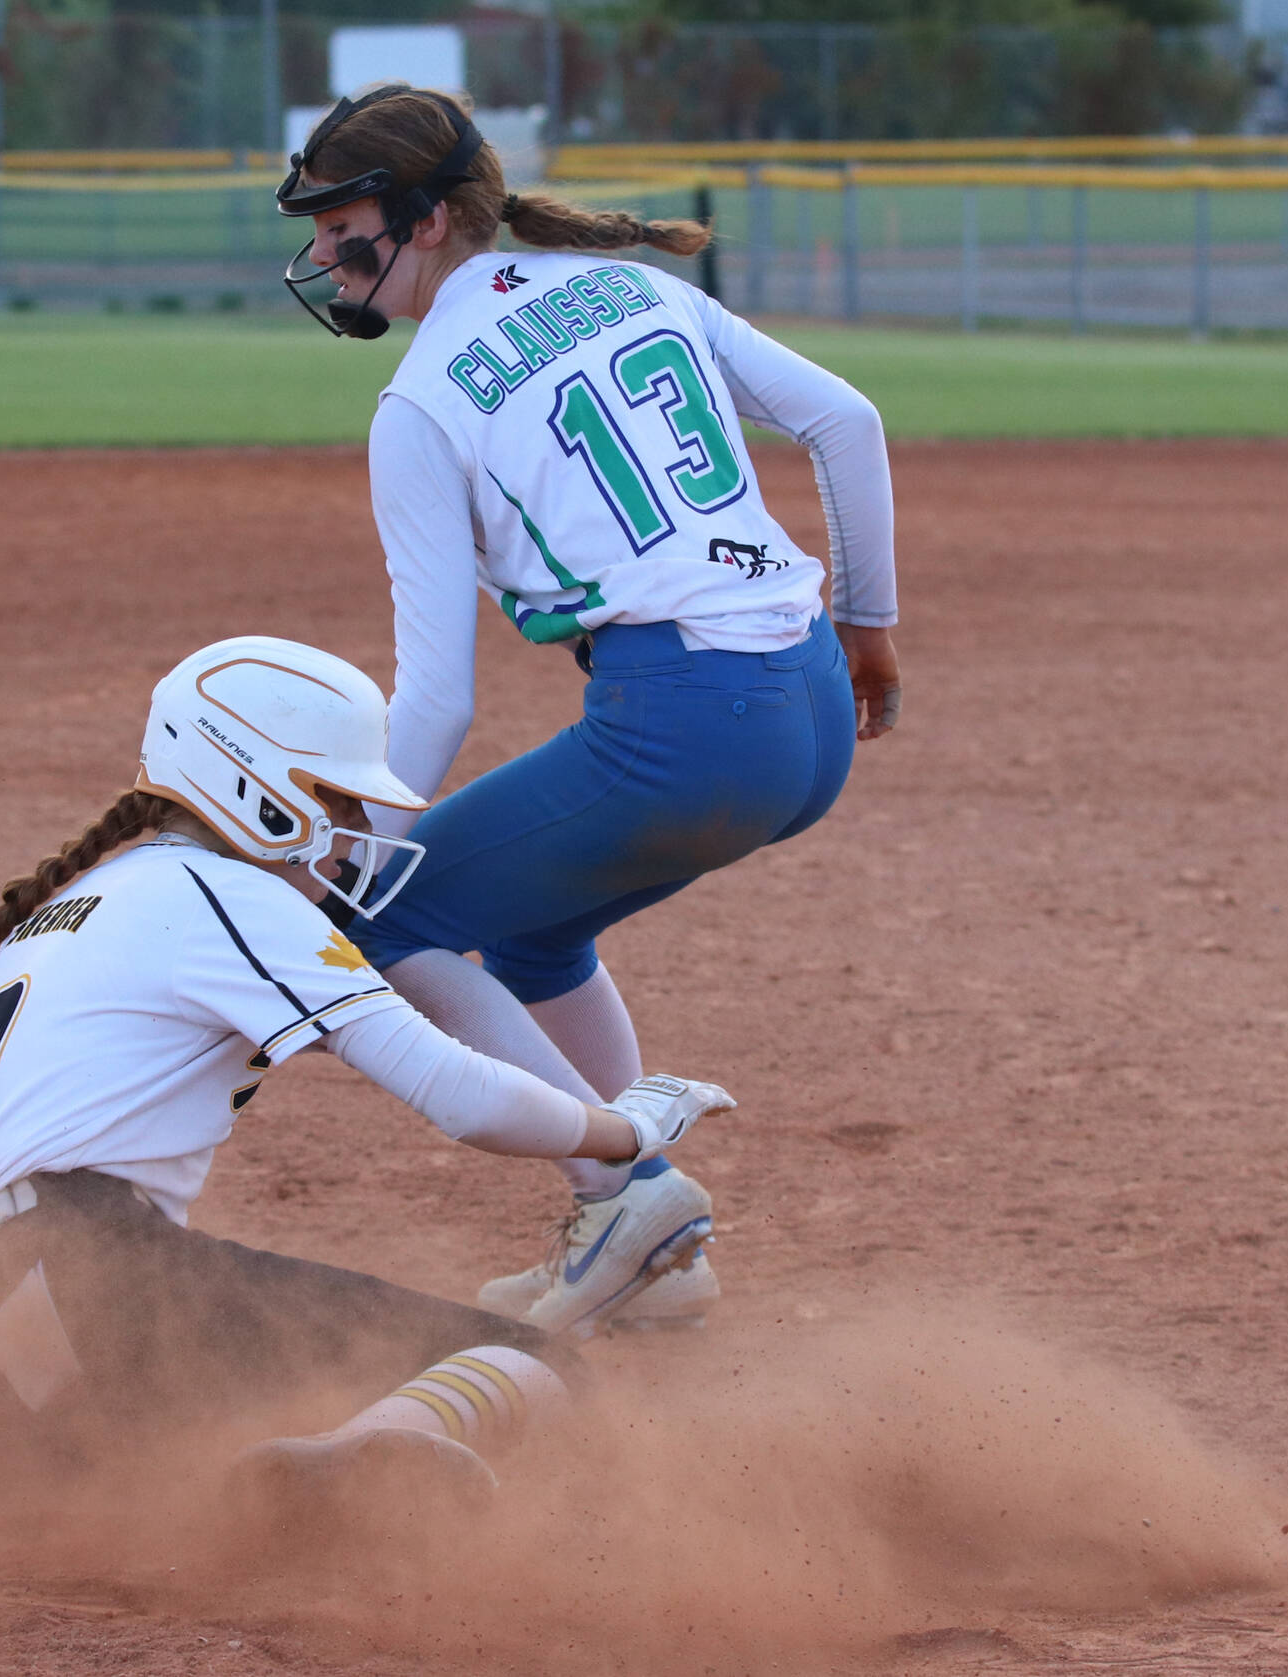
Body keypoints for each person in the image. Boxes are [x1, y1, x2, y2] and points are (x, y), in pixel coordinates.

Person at [272, 86, 902, 1333]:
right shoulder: (630, 288)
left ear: (431, 220)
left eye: (344, 228)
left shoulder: (419, 404)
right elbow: (847, 417)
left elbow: (437, 700)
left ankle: (619, 1196)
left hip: (687, 728)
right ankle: (648, 1231)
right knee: (537, 940)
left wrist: (342, 866)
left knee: (394, 922)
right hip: (811, 716)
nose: (325, 256)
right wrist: (867, 627)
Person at [0, 636, 731, 1513]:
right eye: (336, 803)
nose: (355, 839)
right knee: (538, 1366)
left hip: (3, 1325)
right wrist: (627, 1132)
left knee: (143, 1483)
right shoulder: (231, 895)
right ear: (260, 794)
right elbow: (463, 1097)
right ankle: (339, 1472)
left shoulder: (61, 912)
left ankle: (251, 1478)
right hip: (105, 1272)